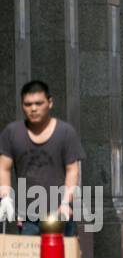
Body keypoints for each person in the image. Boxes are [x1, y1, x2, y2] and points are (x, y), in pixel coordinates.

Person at [0, 80, 84, 236]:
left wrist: (66, 202)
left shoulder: (65, 132)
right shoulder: (12, 132)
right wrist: (5, 197)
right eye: (28, 104)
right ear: (22, 105)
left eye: (39, 103)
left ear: (49, 103)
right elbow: (3, 168)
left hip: (60, 213)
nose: (33, 108)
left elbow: (73, 170)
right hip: (28, 217)